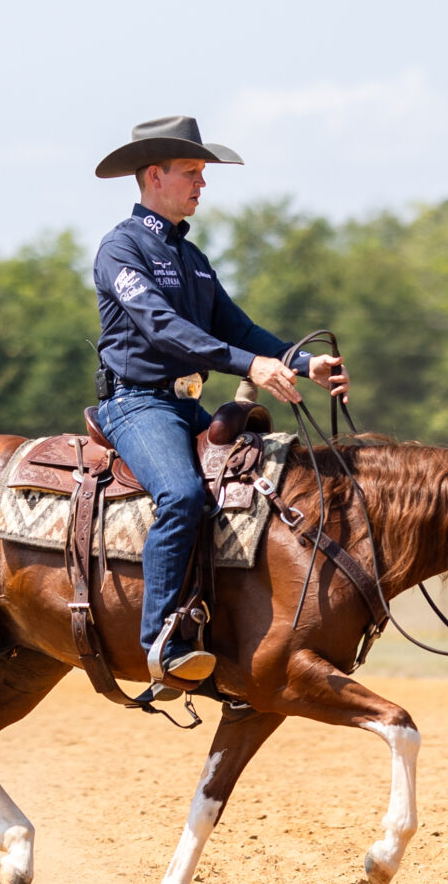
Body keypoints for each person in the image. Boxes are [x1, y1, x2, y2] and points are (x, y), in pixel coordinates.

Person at [90, 115, 347, 685]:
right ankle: (162, 642)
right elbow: (163, 328)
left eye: (202, 173)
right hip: (137, 404)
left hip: (186, 407)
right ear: (154, 176)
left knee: (268, 486)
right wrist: (251, 366)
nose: (201, 183)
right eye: (191, 172)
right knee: (182, 495)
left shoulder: (193, 259)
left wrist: (302, 363)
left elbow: (239, 328)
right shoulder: (121, 248)